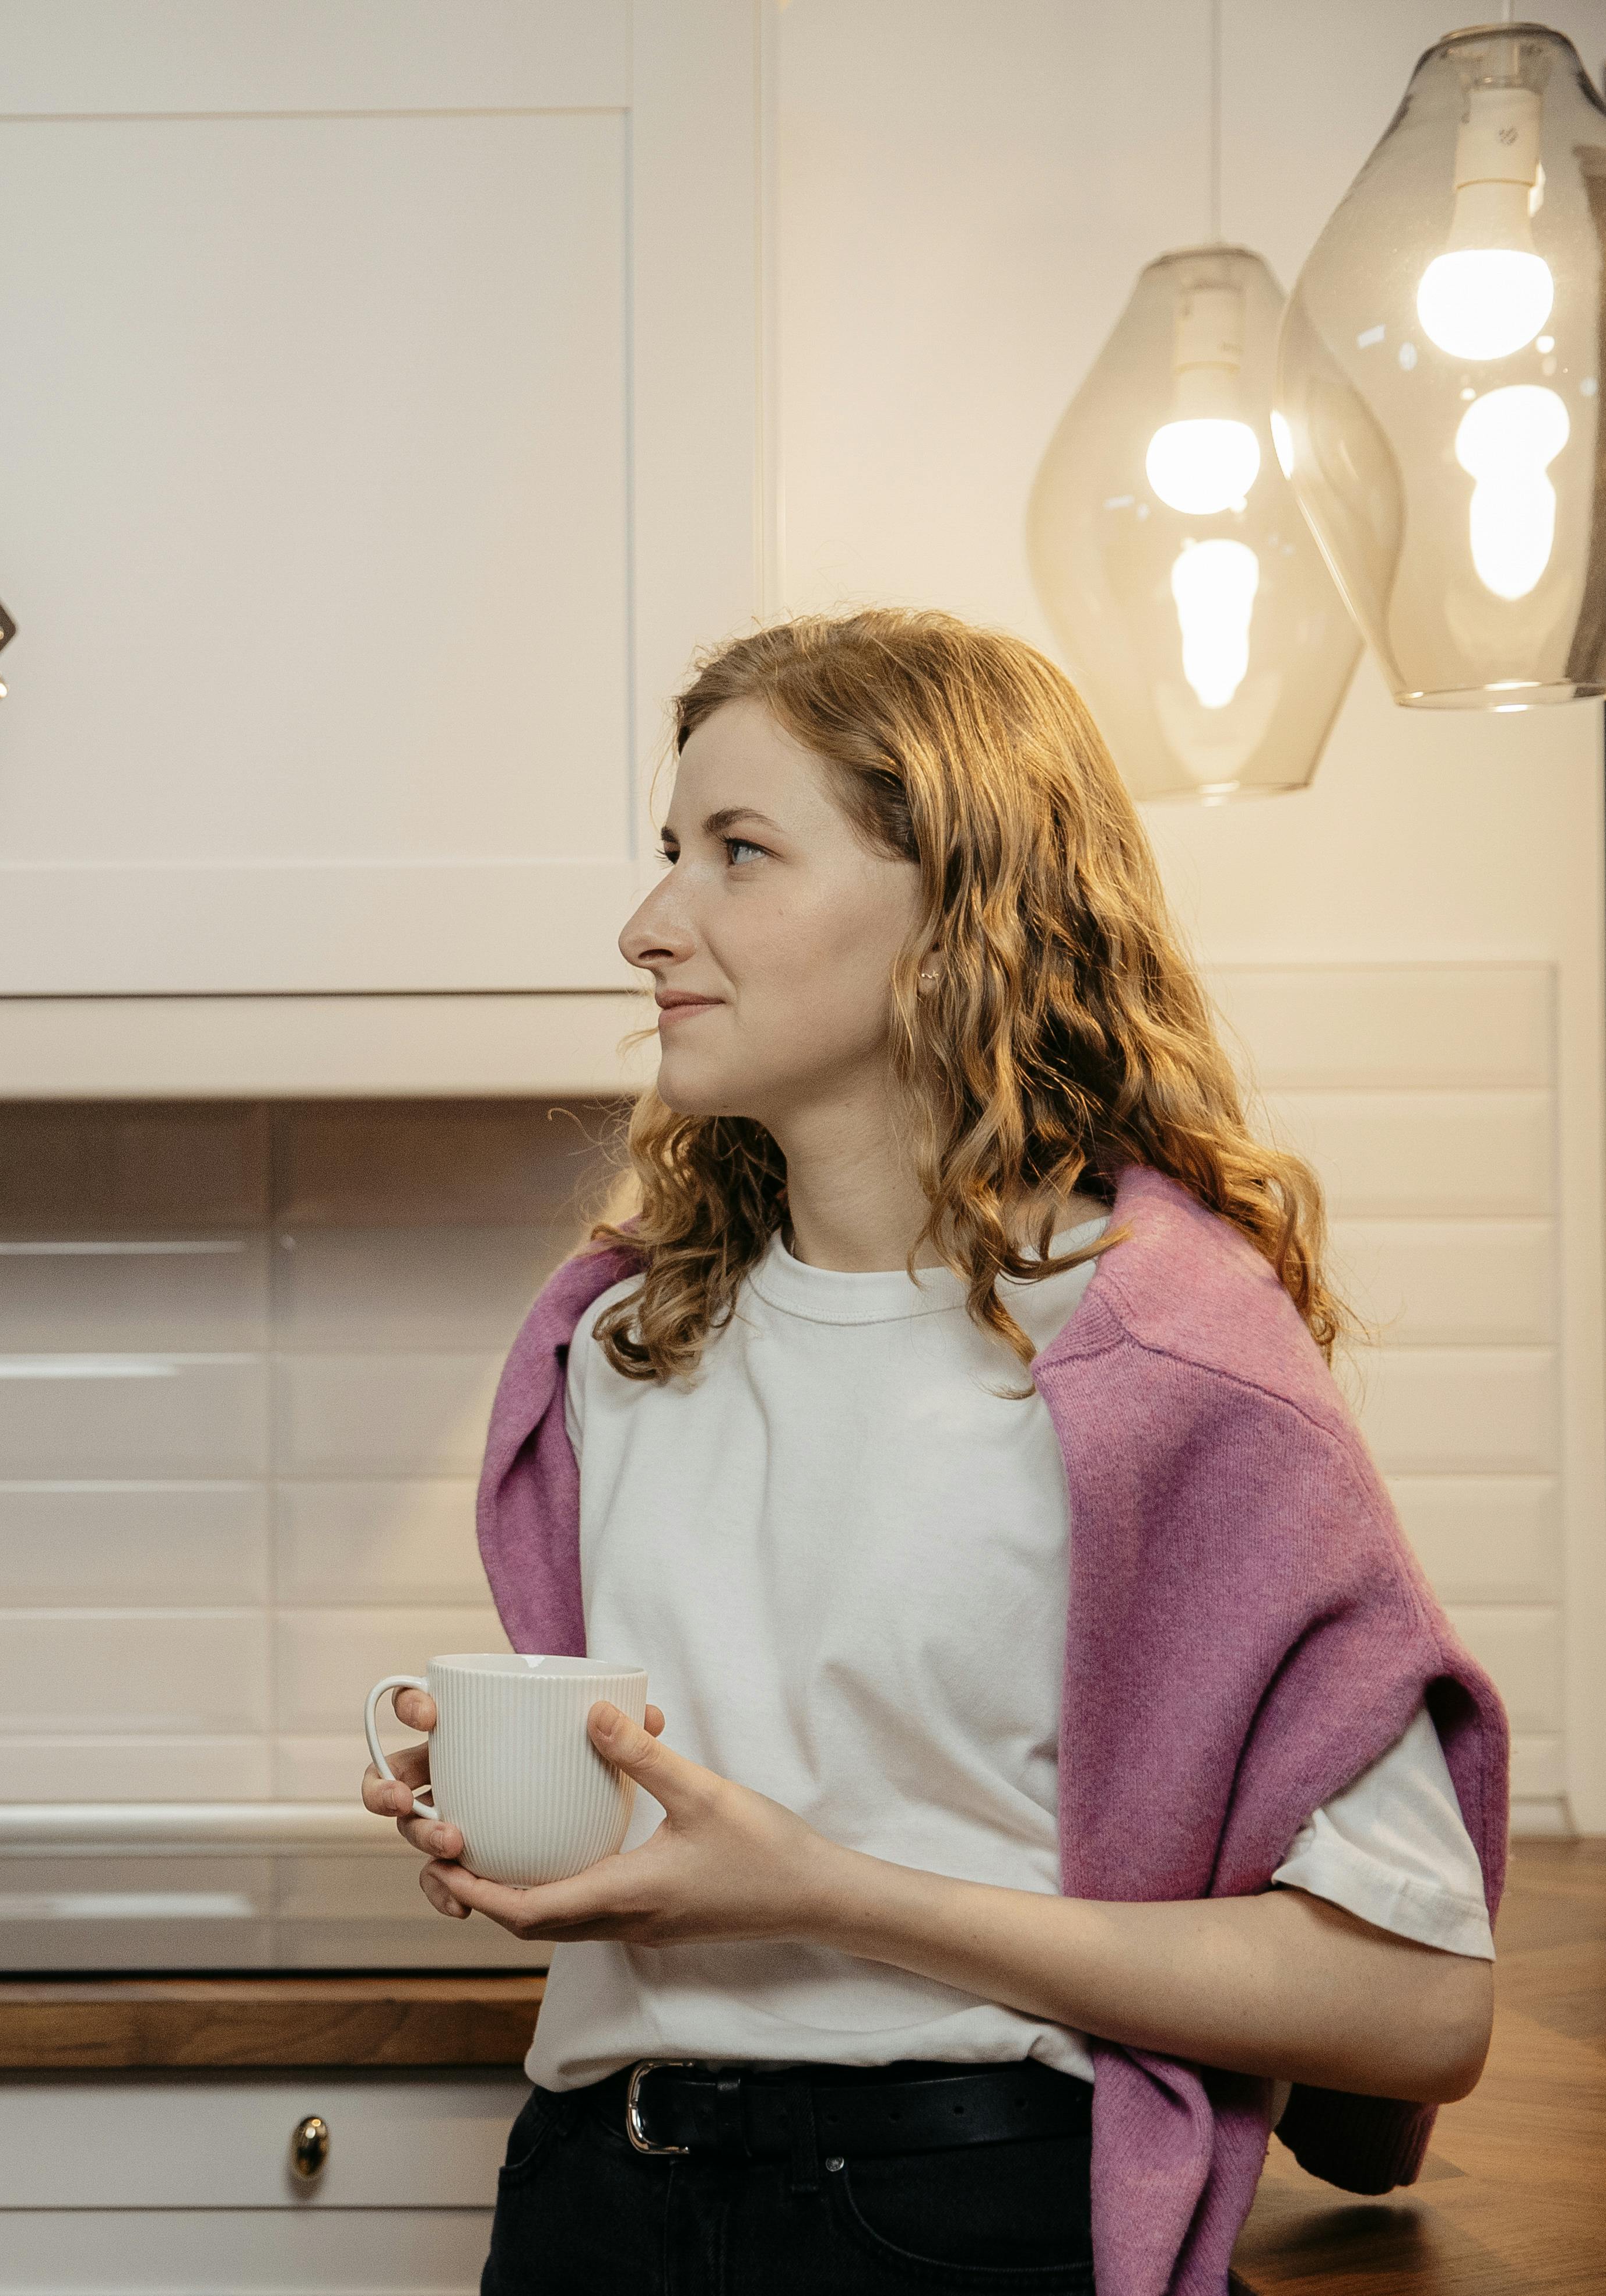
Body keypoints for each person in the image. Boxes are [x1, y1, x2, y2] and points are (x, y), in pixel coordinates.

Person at [360, 609, 1509, 2296]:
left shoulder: (1167, 1366)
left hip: (958, 2219)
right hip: (589, 2202)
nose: (644, 924)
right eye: (667, 850)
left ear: (954, 912)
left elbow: (1417, 2003)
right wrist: (511, 1816)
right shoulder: (612, 1343)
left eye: (736, 852)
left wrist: (819, 1893)